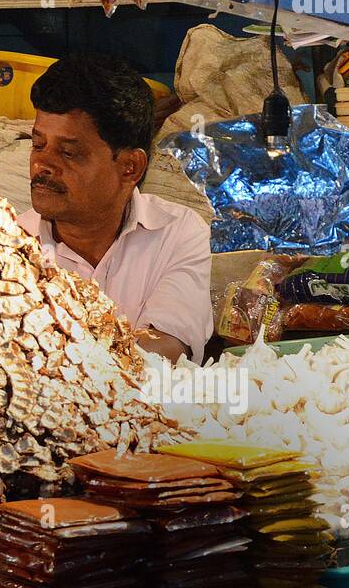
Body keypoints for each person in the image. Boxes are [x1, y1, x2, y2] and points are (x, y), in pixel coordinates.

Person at [18, 53, 212, 362]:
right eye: (38, 145)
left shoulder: (177, 233)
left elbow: (166, 352)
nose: (43, 164)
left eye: (68, 153)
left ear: (130, 167)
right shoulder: (10, 245)